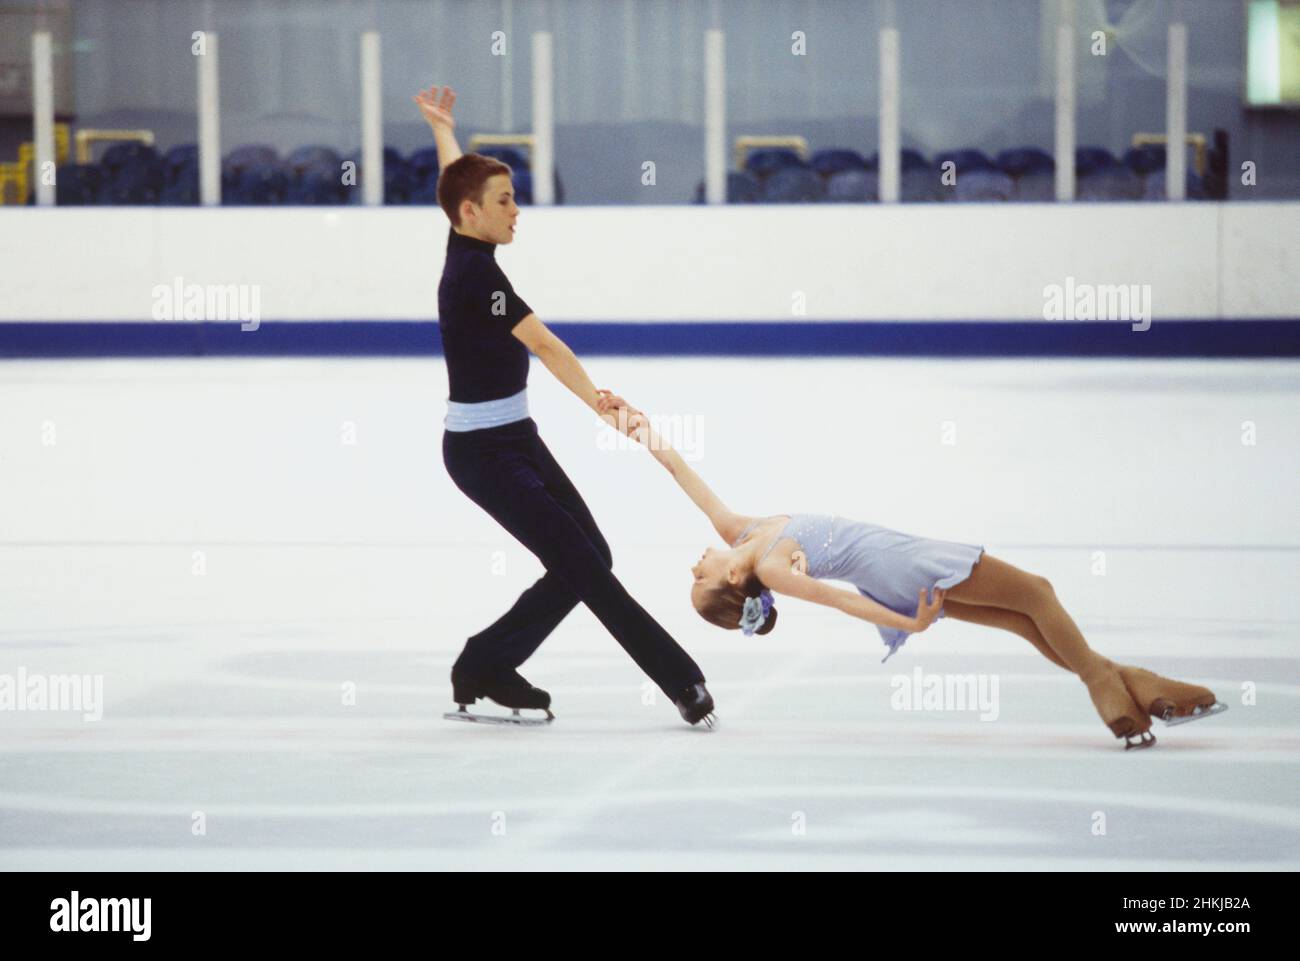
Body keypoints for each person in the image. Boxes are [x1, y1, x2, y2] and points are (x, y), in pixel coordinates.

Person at [596, 399, 1226, 749]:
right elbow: (840, 603)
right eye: (695, 577)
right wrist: (909, 624)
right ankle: (1107, 685)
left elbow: (679, 470)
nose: (694, 563)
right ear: (730, 585)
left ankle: (1132, 692)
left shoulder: (740, 532)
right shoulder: (769, 565)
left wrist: (634, 426)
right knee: (1038, 592)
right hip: (905, 566)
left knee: (1026, 620)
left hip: (898, 568)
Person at [413, 85, 714, 726]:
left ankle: (486, 661)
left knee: (588, 559)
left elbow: (453, 184)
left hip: (516, 439)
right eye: (506, 200)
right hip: (481, 454)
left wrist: (443, 131)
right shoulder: (478, 279)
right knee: (588, 570)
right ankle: (682, 681)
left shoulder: (464, 239)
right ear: (472, 213)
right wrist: (600, 405)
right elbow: (546, 346)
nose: (517, 210)